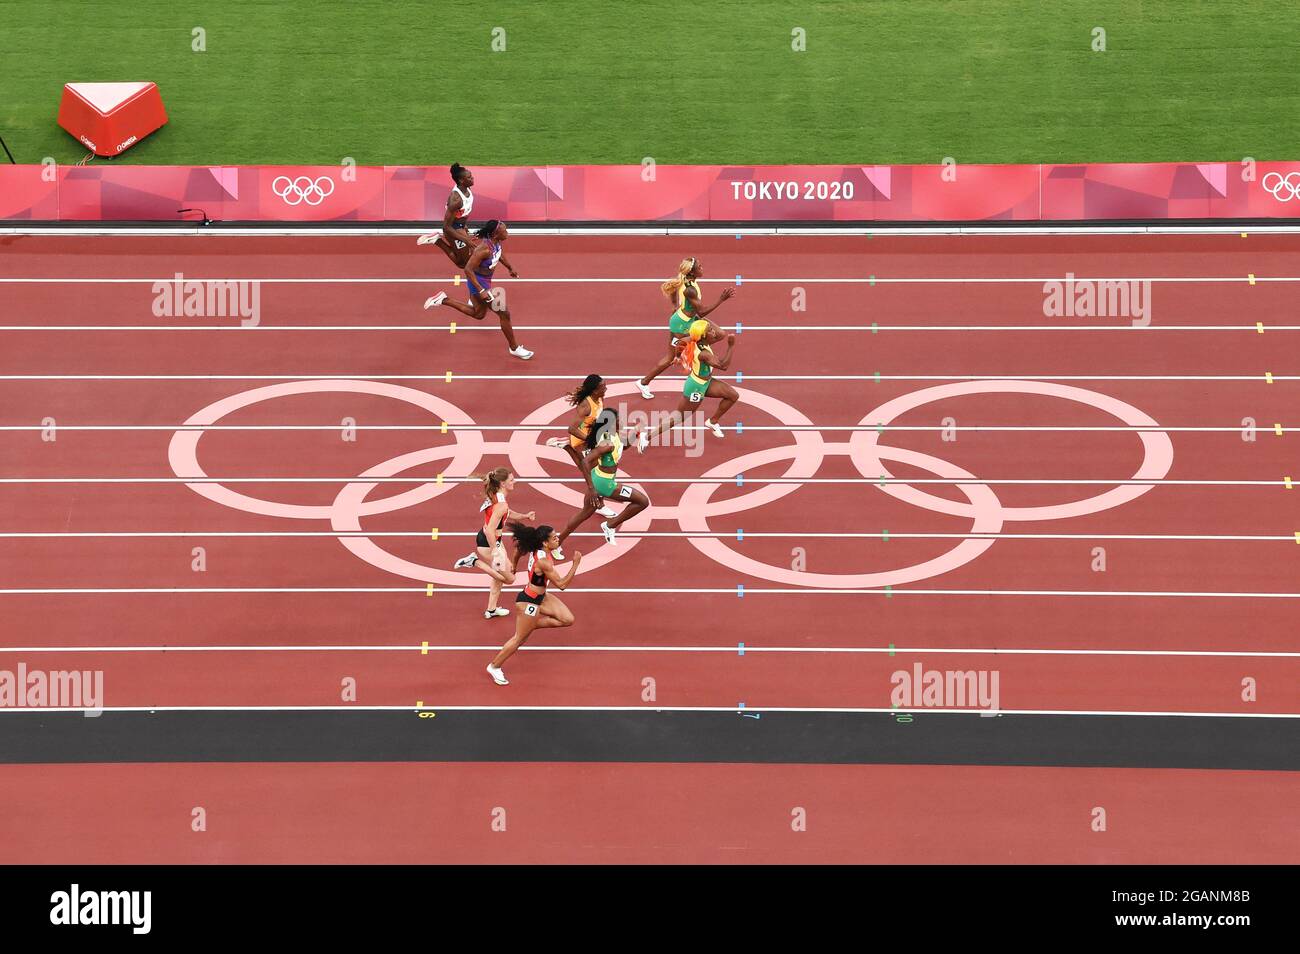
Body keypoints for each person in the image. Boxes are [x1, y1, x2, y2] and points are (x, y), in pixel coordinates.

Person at [486, 523, 582, 686]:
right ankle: (494, 666)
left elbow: (517, 550)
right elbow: (562, 585)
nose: (557, 538)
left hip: (541, 597)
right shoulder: (544, 561)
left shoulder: (536, 549)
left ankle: (531, 624)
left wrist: (515, 565)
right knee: (518, 640)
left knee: (567, 619)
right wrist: (575, 564)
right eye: (554, 538)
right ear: (545, 543)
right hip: (528, 601)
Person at [424, 220, 533, 360]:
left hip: (485, 282)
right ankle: (514, 348)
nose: (507, 232)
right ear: (495, 234)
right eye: (504, 230)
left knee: (479, 314)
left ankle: (443, 299)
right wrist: (481, 290)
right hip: (479, 283)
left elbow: (499, 254)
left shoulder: (496, 243)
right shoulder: (483, 249)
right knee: (504, 313)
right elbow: (468, 269)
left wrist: (509, 267)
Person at [636, 257, 735, 399]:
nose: (702, 268)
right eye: (699, 267)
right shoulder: (690, 290)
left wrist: (674, 306)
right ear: (692, 272)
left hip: (690, 319)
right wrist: (721, 299)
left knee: (719, 333)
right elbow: (702, 312)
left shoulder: (686, 279)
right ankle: (643, 382)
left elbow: (673, 289)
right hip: (681, 325)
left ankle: (692, 350)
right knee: (671, 358)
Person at [639, 319, 738, 448]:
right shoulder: (704, 354)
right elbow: (723, 366)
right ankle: (646, 437)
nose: (714, 332)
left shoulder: (694, 340)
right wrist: (731, 345)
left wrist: (677, 356)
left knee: (733, 395)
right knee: (679, 416)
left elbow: (680, 343)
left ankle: (712, 422)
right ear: (703, 335)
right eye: (710, 330)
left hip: (706, 381)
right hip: (696, 387)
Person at [451, 467, 535, 619]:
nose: (514, 481)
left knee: (502, 573)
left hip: (494, 540)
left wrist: (525, 516)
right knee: (510, 579)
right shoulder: (501, 503)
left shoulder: (498, 497)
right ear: (503, 484)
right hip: (488, 543)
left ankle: (491, 609)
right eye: (511, 480)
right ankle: (474, 561)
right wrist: (495, 551)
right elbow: (490, 530)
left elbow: (507, 513)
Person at [545, 374, 618, 521]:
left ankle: (567, 447)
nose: (606, 388)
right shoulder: (586, 405)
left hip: (592, 437)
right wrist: (591, 440)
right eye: (603, 387)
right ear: (594, 390)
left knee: (589, 470)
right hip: (581, 440)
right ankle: (600, 505)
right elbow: (571, 428)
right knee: (593, 474)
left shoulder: (599, 398)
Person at [578, 409, 650, 546]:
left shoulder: (614, 435)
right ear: (612, 423)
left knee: (583, 515)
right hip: (604, 484)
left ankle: (560, 540)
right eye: (618, 420)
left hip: (600, 477)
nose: (621, 422)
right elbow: (585, 461)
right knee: (643, 501)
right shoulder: (607, 442)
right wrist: (592, 489)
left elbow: (624, 445)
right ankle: (610, 525)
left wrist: (636, 431)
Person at [416, 163, 477, 267]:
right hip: (453, 229)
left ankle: (436, 240)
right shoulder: (456, 200)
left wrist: (464, 225)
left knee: (461, 263)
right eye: (469, 177)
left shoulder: (466, 188)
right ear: (461, 181)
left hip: (460, 226)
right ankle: (437, 240)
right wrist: (465, 239)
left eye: (471, 175)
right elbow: (446, 227)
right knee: (466, 264)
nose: (472, 178)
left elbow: (463, 212)